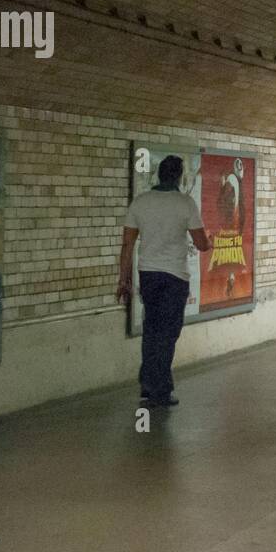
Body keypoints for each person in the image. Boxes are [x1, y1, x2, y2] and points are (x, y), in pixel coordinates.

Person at [117, 156, 210, 406]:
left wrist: (122, 279)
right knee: (168, 333)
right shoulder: (185, 203)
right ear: (179, 176)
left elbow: (127, 244)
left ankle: (149, 387)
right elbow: (202, 244)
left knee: (152, 330)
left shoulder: (141, 202)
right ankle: (161, 390)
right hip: (175, 277)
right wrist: (205, 237)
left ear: (159, 174)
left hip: (148, 274)